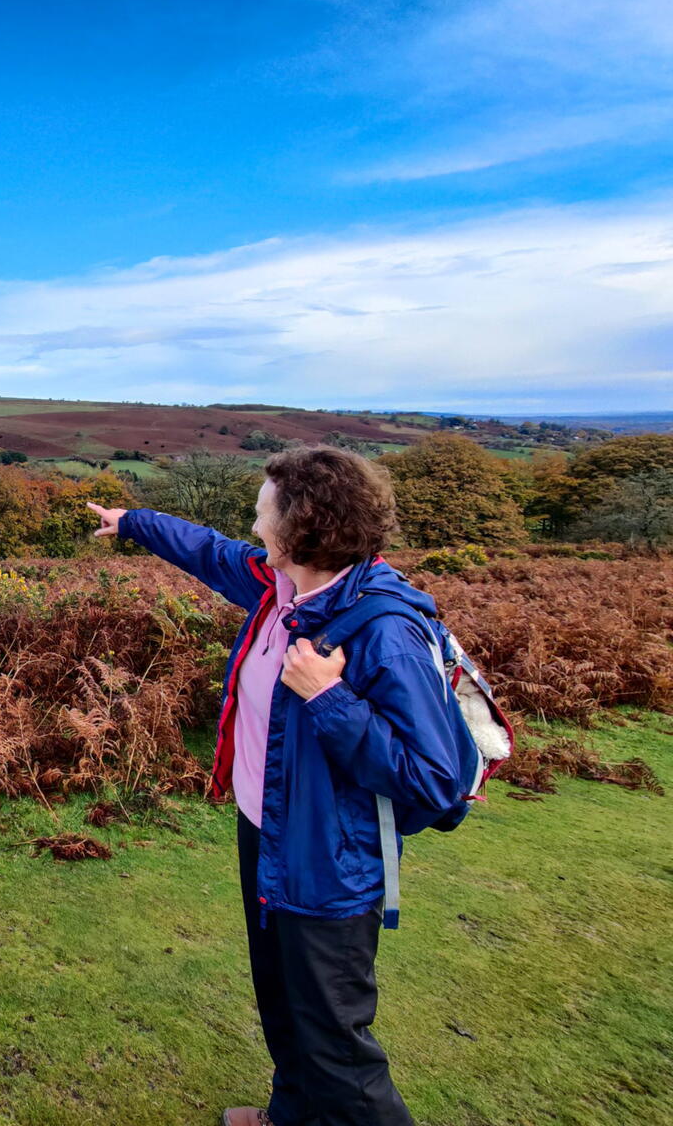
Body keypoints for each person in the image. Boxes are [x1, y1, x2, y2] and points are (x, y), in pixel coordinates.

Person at [87, 444, 470, 1126]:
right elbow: (210, 552)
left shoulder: (383, 630)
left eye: (263, 513)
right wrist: (133, 522)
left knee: (336, 1045)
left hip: (329, 856)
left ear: (302, 528)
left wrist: (329, 699)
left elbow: (436, 781)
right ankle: (289, 1115)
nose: (254, 524)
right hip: (265, 827)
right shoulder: (280, 588)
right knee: (282, 1001)